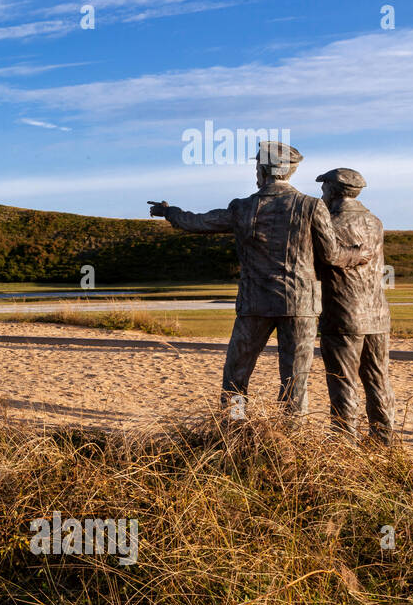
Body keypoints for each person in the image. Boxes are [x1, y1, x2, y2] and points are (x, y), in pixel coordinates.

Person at [148, 141, 364, 416]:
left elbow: (198, 222)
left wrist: (169, 212)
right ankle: (291, 441)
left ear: (262, 170)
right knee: (295, 382)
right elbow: (332, 255)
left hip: (255, 305)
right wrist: (358, 254)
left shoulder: (243, 208)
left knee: (236, 376)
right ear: (292, 171)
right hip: (299, 305)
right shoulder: (311, 206)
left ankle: (235, 425)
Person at [315, 167, 395, 444]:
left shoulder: (329, 223)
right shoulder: (375, 222)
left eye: (324, 188)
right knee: (378, 378)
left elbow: (322, 260)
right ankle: (384, 439)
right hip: (377, 313)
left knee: (343, 380)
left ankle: (344, 443)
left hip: (343, 312)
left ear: (334, 191)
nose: (321, 193)